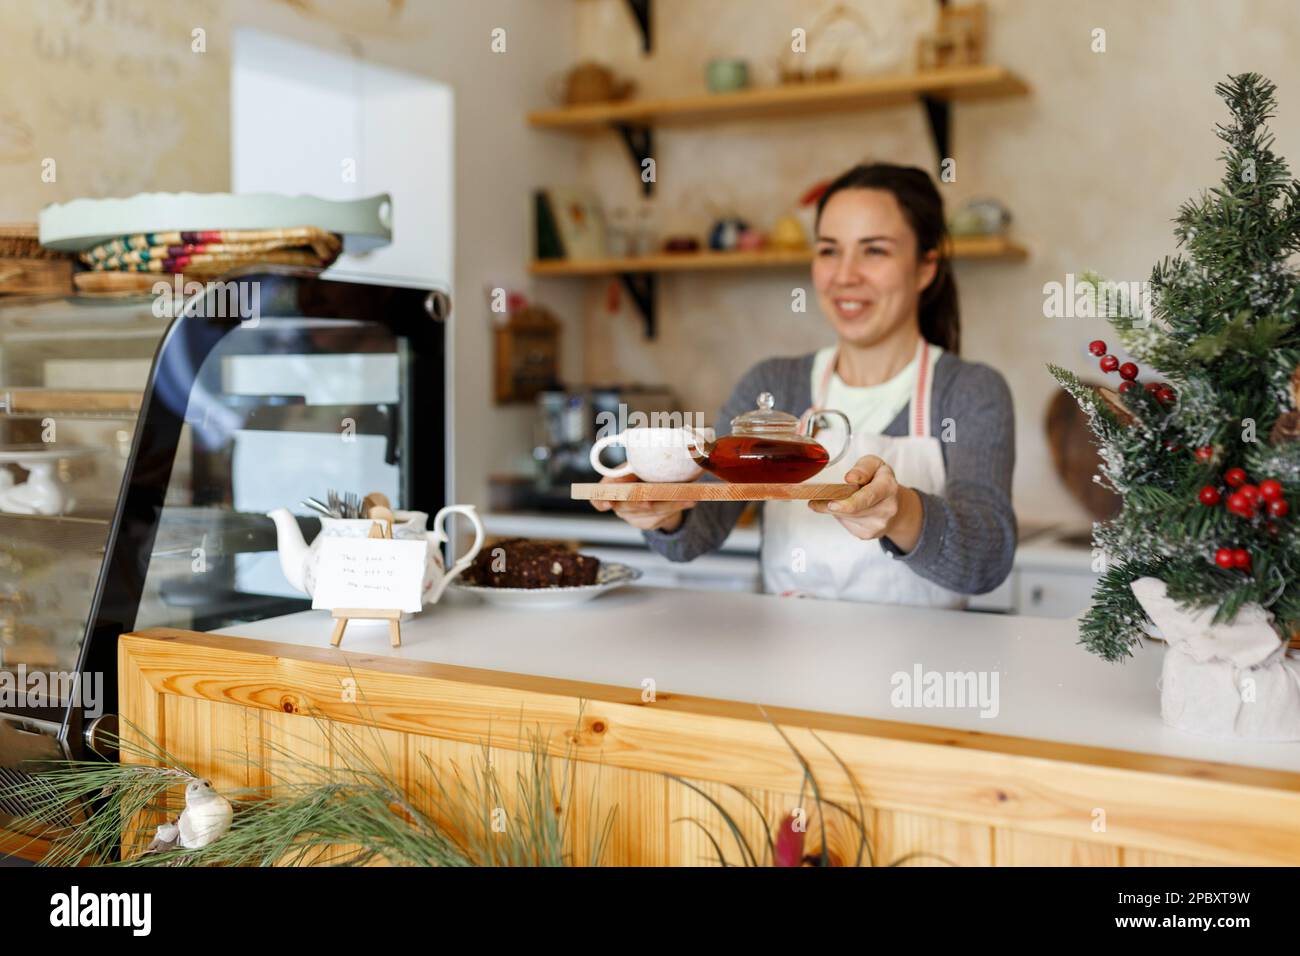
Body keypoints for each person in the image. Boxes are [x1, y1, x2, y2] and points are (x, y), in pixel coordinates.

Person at [591, 163, 1016, 607]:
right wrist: (665, 514)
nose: (845, 275)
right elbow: (702, 528)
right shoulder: (772, 383)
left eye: (874, 251)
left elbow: (988, 561)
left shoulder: (970, 392)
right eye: (829, 250)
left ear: (926, 268)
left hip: (917, 669)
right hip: (787, 665)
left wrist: (901, 512)